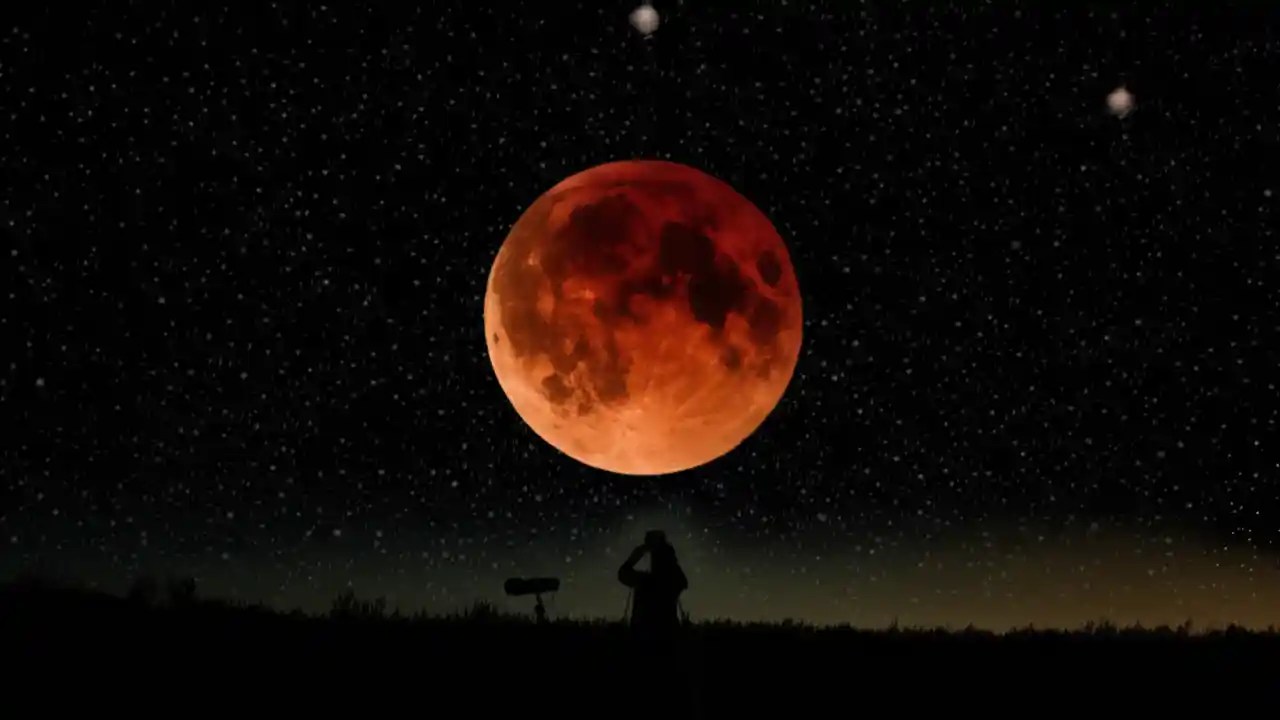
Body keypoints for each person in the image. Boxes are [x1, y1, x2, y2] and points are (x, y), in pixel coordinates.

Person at [617, 530, 689, 642]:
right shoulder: (673, 578)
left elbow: (623, 574)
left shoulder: (645, 580)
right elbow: (682, 583)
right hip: (667, 633)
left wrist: (637, 555)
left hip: (645, 633)